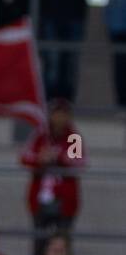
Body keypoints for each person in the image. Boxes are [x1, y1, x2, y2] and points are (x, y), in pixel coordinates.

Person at [20, 99, 83, 243]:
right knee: (39, 240)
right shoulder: (41, 136)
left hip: (65, 199)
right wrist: (40, 159)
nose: (59, 119)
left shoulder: (74, 137)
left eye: (63, 115)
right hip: (41, 198)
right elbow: (24, 157)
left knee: (63, 240)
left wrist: (59, 156)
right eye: (56, 114)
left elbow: (80, 162)